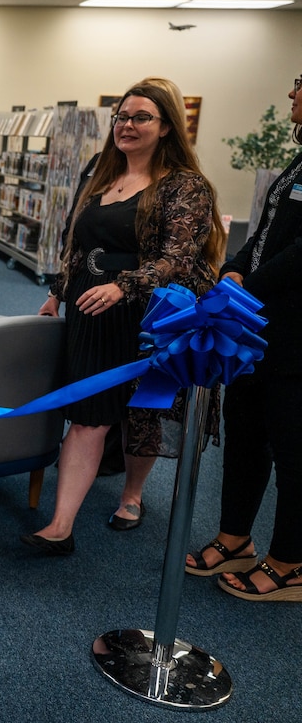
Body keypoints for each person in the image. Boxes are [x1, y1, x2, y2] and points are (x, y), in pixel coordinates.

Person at [22, 77, 226, 555]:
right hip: (91, 307)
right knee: (88, 414)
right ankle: (61, 525)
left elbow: (177, 257)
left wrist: (125, 286)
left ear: (166, 126)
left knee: (142, 413)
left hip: (149, 313)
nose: (127, 125)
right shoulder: (100, 171)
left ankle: (131, 495)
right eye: (122, 117)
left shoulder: (185, 185)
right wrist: (57, 292)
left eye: (141, 118)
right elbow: (77, 243)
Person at [185, 71, 302, 601]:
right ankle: (235, 538)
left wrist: (244, 290)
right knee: (246, 430)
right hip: (258, 324)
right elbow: (267, 233)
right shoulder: (298, 160)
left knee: (293, 446)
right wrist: (233, 267)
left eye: (299, 83)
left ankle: (290, 562)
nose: (291, 92)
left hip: (294, 333)